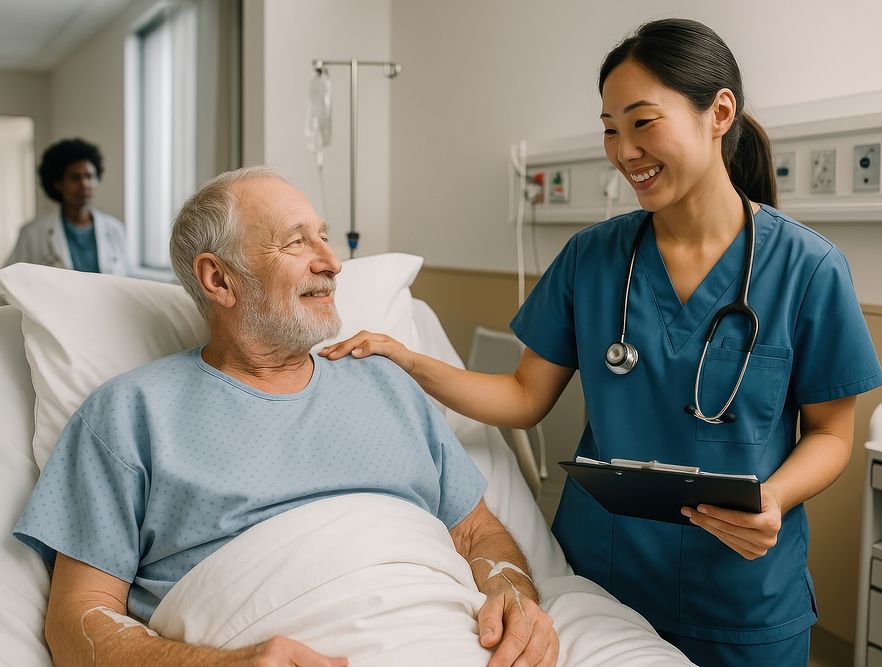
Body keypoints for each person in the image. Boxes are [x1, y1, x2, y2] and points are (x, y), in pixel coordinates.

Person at [323, 18, 882, 666]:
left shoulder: (808, 269)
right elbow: (522, 395)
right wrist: (406, 356)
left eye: (643, 122)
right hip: (599, 582)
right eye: (610, 129)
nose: (623, 151)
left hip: (740, 595)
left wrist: (774, 499)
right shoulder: (593, 258)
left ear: (719, 112)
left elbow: (831, 434)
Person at [13, 167, 557, 666]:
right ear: (219, 280)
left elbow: (477, 532)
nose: (331, 261)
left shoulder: (387, 383)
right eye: (297, 242)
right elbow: (78, 620)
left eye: (323, 235)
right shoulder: (128, 415)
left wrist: (514, 597)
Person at [3, 138, 127, 274]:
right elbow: (10, 279)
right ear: (58, 184)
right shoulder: (32, 233)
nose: (84, 184)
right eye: (75, 177)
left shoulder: (115, 229)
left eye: (89, 176)